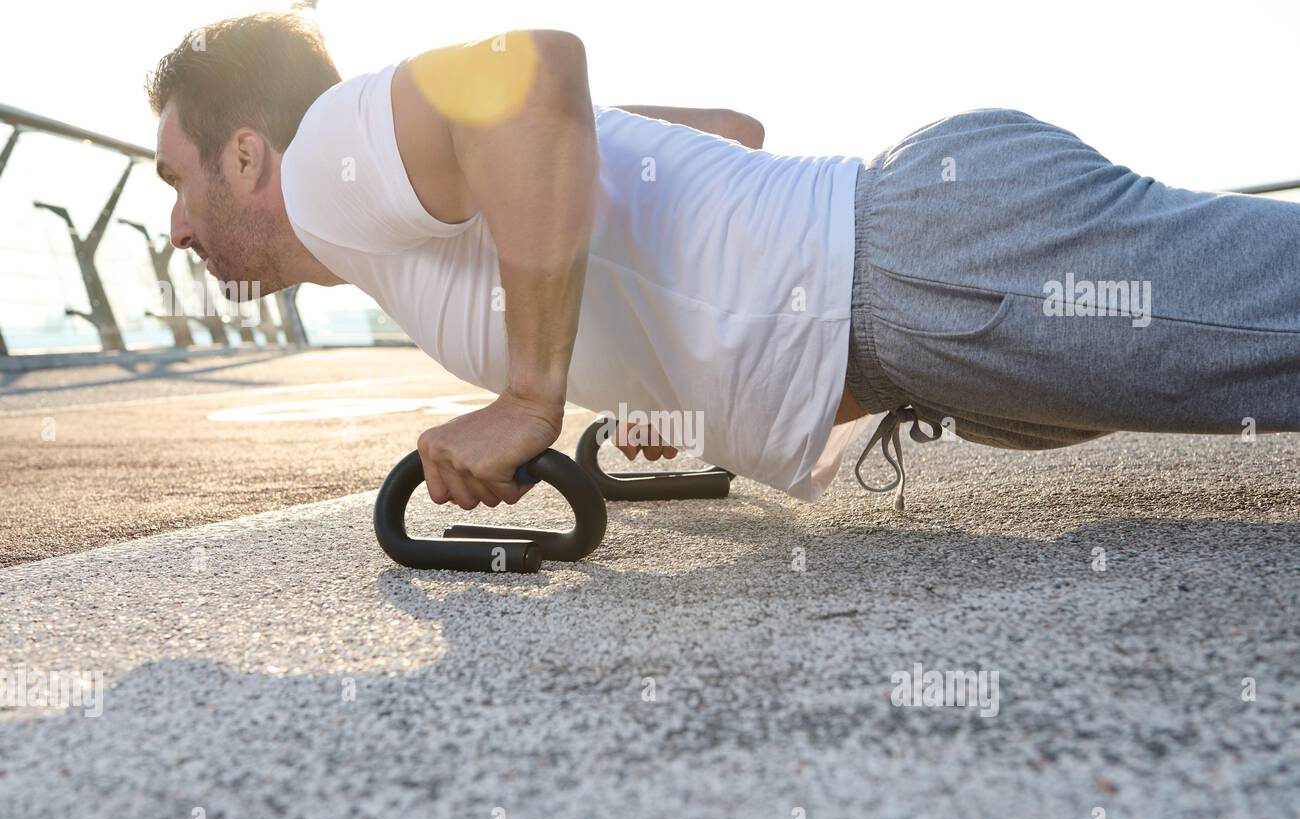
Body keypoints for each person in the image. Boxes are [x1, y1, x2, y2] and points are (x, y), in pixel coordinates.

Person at [148, 12, 1300, 514]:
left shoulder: (331, 157)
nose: (176, 231)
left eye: (177, 184)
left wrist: (530, 399)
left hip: (926, 272)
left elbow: (535, 69)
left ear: (246, 153)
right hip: (925, 309)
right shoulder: (383, 227)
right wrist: (659, 403)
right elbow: (729, 133)